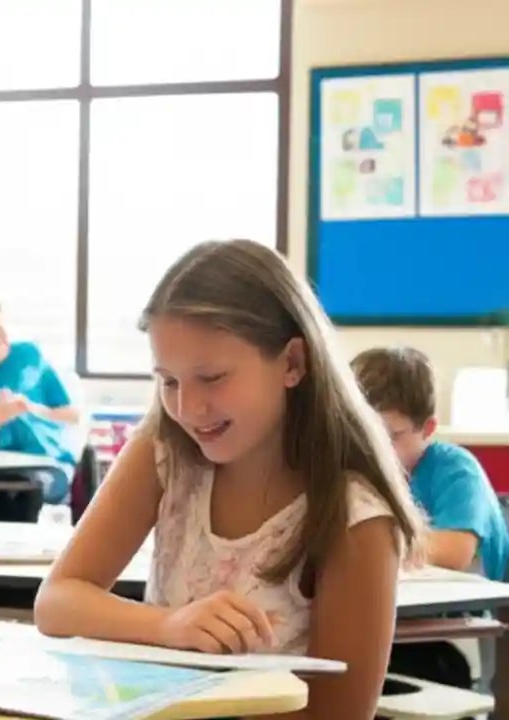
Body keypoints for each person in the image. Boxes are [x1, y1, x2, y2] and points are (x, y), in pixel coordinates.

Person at [34, 239, 426, 719]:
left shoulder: (356, 516)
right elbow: (56, 601)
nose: (187, 408)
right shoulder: (165, 452)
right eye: (169, 381)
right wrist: (169, 626)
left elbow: (340, 715)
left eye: (213, 377)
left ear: (292, 363)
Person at [352, 346, 508, 577]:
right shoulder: (354, 471)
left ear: (427, 429)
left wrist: (373, 544)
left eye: (391, 436)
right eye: (361, 433)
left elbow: (456, 551)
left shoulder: (456, 470)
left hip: (467, 605)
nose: (373, 449)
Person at [0, 298, 80, 522]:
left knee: (21, 495)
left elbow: (72, 415)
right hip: (2, 465)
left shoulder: (27, 356)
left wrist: (31, 409)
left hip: (46, 462)